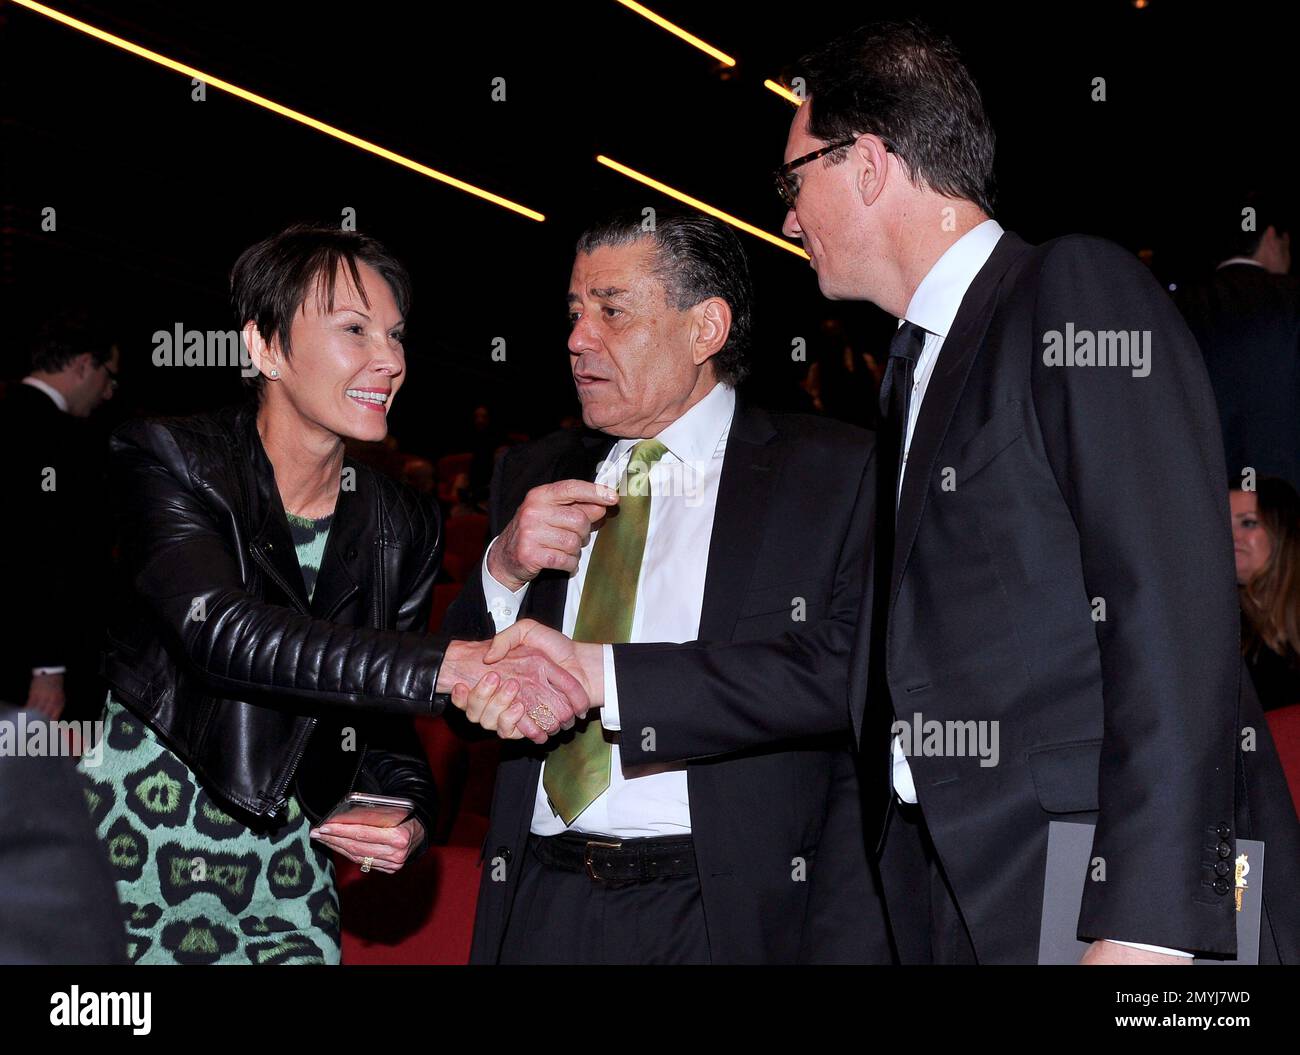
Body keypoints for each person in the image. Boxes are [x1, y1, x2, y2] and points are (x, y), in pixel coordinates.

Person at [482, 20, 1300, 965]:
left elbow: (1172, 611)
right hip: (978, 899)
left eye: (795, 182)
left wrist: (1152, 925)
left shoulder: (1069, 290)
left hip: (1114, 907)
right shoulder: (914, 374)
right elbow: (875, 667)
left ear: (867, 163)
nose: (789, 218)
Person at [82, 223, 586, 964]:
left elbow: (383, 724)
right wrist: (447, 664)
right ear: (264, 347)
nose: (390, 360)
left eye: (396, 335)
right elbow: (224, 634)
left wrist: (410, 811)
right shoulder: (173, 459)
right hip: (137, 847)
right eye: (355, 330)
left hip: (289, 868)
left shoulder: (402, 520)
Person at [442, 209, 889, 964]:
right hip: (542, 901)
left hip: (716, 912)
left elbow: (845, 674)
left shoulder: (830, 474)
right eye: (576, 313)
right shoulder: (534, 472)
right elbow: (452, 694)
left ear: (704, 328)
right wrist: (503, 569)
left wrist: (606, 678)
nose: (580, 338)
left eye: (612, 311)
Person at [0, 317, 119, 722]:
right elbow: (43, 552)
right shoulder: (57, 437)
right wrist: (48, 668)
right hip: (29, 662)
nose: (109, 392)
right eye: (110, 376)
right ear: (84, 364)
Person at [1178, 192, 1300, 488]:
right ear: (1272, 237)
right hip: (1286, 502)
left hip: (1202, 494)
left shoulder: (1176, 306)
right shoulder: (1292, 299)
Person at [1232, 479, 1300, 710]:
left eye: (1248, 523)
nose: (1233, 537)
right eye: (1223, 524)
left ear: (1283, 531)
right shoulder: (1220, 631)